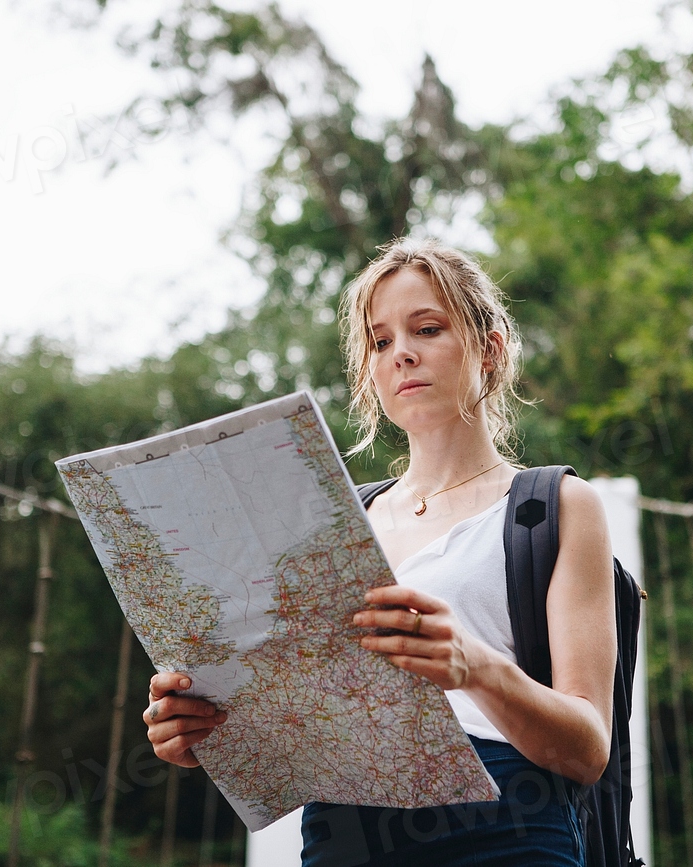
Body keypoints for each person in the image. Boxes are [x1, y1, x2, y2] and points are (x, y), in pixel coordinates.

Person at [143, 237, 617, 866]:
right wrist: (207, 726)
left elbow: (588, 748)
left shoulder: (553, 506)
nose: (403, 355)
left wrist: (477, 666)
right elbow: (300, 712)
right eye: (381, 341)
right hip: (345, 834)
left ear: (491, 349)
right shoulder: (334, 523)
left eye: (427, 328)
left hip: (508, 828)